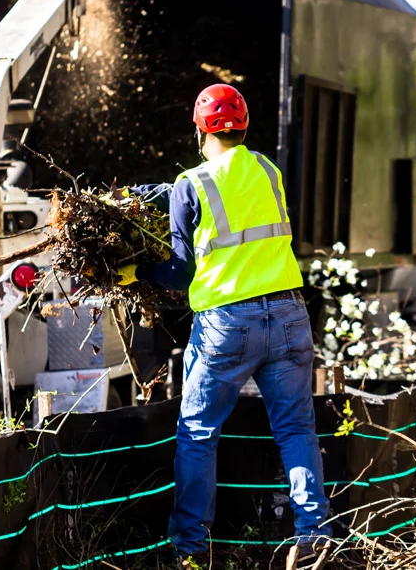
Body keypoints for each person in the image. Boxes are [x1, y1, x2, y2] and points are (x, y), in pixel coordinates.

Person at [118, 84, 332, 570]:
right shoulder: (269, 171)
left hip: (227, 327)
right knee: (297, 429)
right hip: (289, 316)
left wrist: (135, 273)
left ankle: (191, 551)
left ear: (199, 129)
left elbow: (178, 273)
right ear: (244, 126)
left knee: (197, 433)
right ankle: (316, 536)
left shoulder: (190, 183)